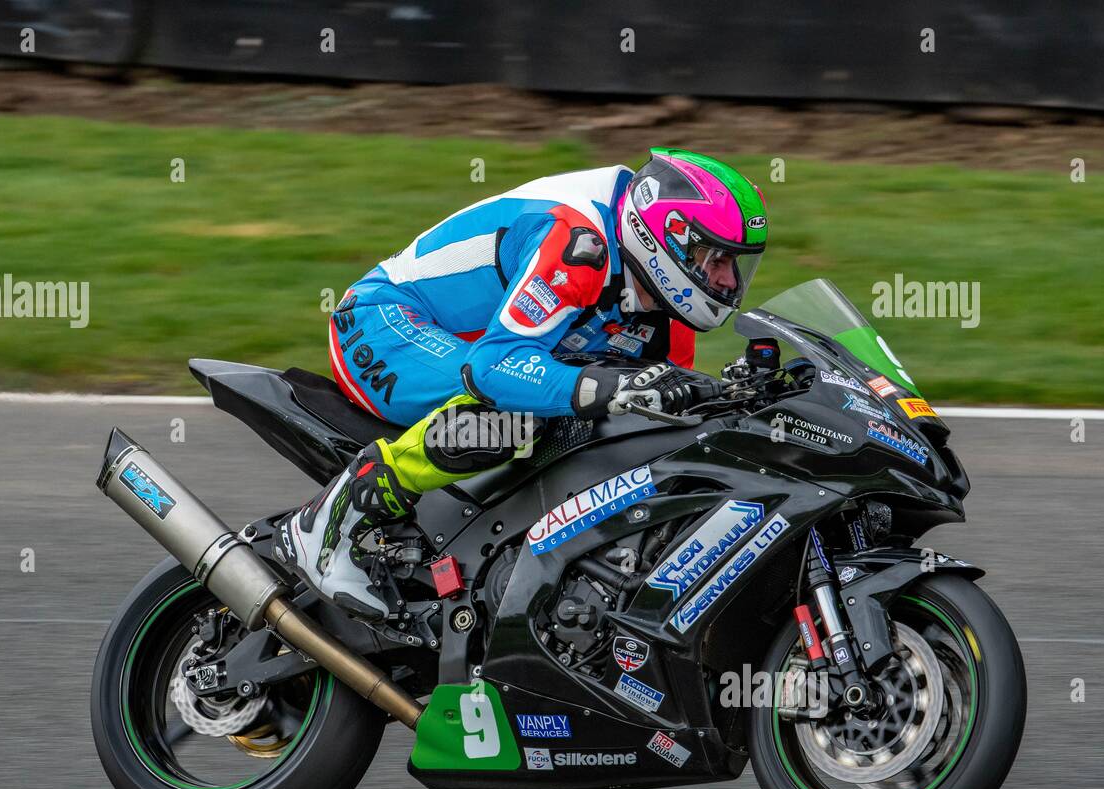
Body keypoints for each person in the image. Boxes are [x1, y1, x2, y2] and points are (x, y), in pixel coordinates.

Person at [276, 148, 769, 619]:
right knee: (519, 415)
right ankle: (331, 521)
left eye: (736, 264)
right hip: (386, 323)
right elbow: (493, 369)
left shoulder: (669, 304)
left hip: (486, 347)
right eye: (717, 259)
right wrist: (608, 391)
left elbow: (665, 402)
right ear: (670, 238)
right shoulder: (579, 242)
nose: (727, 282)